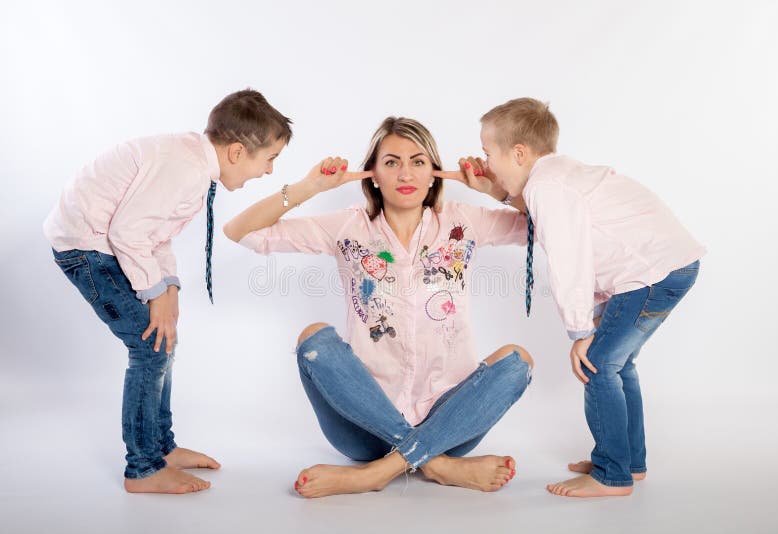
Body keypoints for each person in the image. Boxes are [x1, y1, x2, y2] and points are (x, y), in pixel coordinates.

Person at [225, 117, 533, 498]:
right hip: (363, 428)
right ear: (372, 174)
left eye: (418, 161)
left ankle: (378, 473)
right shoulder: (347, 227)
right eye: (391, 162)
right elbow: (241, 231)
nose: (405, 173)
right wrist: (309, 187)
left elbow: (540, 225)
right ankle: (435, 466)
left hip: (450, 426)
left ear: (434, 173)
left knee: (517, 361)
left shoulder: (463, 222)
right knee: (314, 339)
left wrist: (498, 191)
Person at [44, 89, 292, 494]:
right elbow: (128, 231)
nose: (267, 172)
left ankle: (161, 447)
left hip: (107, 243)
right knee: (150, 346)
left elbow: (155, 232)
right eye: (269, 159)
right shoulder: (184, 169)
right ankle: (142, 468)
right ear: (236, 152)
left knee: (163, 338)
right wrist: (152, 292)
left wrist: (169, 287)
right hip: (86, 247)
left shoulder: (191, 162)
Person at [475, 97, 706, 497]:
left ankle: (610, 474)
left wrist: (581, 329)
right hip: (663, 267)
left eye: (487, 153)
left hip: (651, 273)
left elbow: (569, 258)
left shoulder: (547, 186)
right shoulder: (555, 177)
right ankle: (628, 462)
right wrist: (494, 192)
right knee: (618, 364)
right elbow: (578, 236)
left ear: (518, 152)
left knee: (597, 364)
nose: (487, 164)